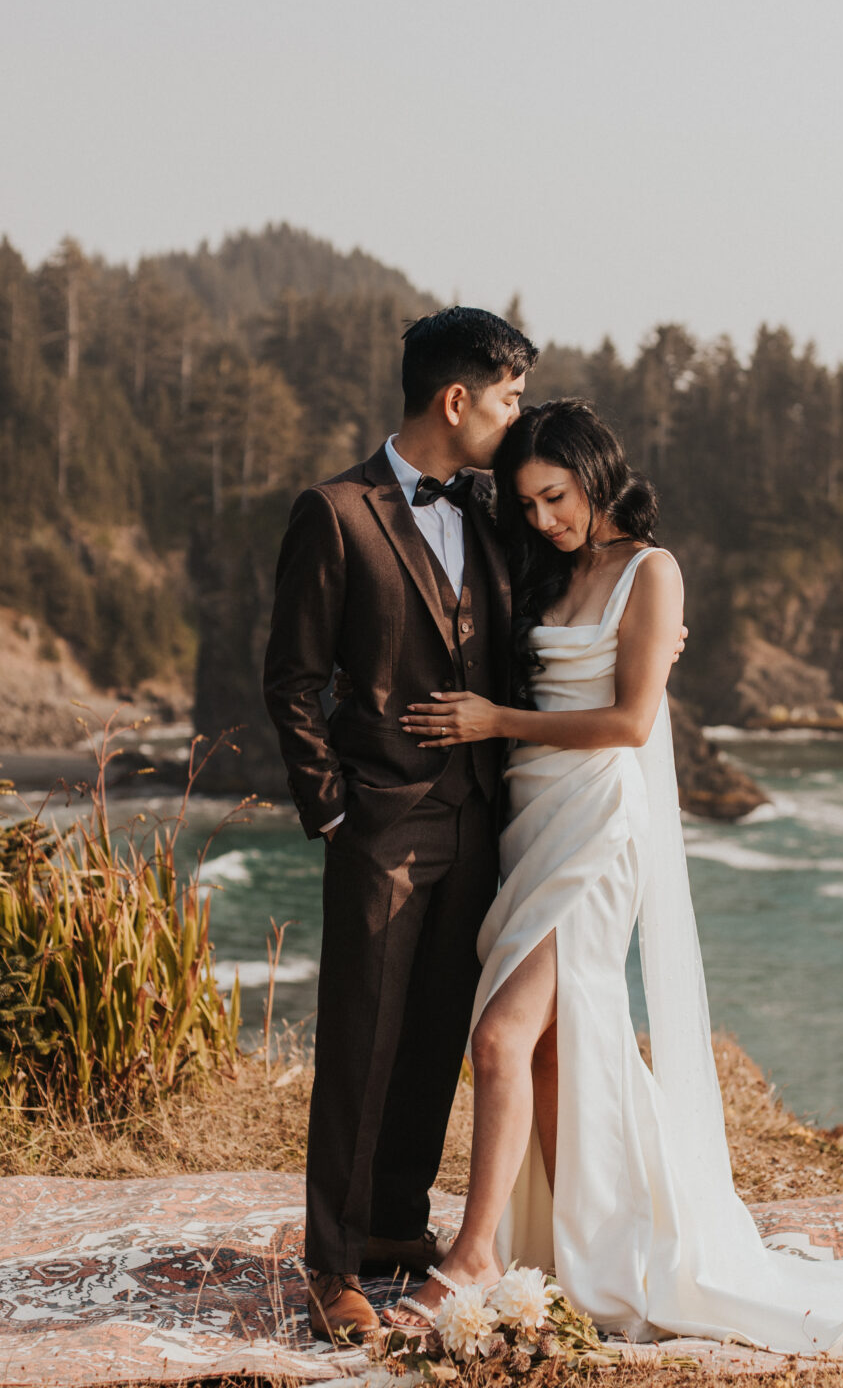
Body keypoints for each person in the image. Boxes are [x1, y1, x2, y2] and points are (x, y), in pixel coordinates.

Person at [388, 399, 843, 1358]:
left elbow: (629, 723)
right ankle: (581, 1248)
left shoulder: (655, 572)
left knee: (500, 1035)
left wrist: (492, 722)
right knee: (558, 1051)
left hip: (600, 825)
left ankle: (476, 1257)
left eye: (556, 497)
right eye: (527, 504)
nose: (544, 519)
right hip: (531, 821)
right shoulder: (544, 567)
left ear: (596, 476)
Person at [262, 306, 537, 1341]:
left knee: (433, 1040)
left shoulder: (493, 511)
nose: (515, 420)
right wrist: (333, 810)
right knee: (360, 1046)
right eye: (506, 399)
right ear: (455, 400)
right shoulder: (332, 512)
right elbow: (292, 677)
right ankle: (329, 1261)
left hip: (478, 820)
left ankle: (393, 1230)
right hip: (378, 822)